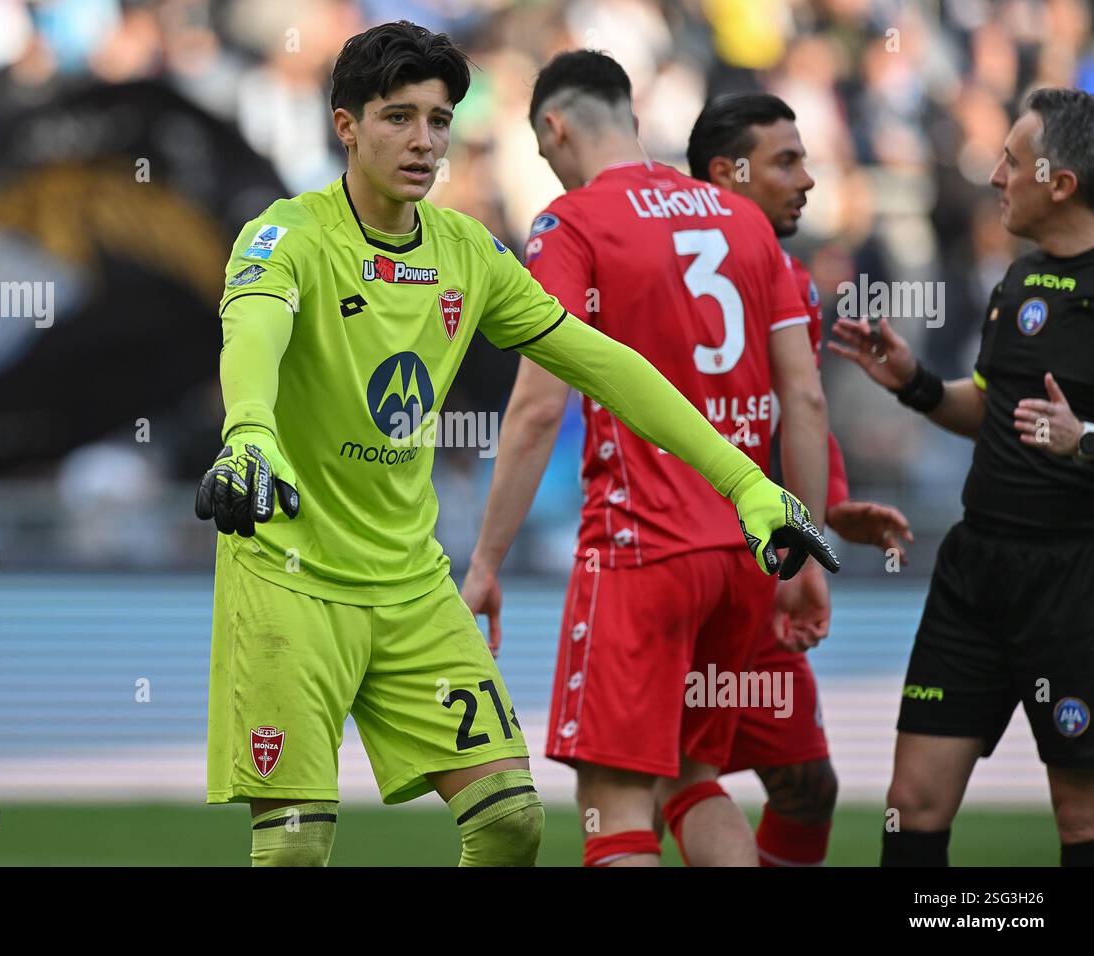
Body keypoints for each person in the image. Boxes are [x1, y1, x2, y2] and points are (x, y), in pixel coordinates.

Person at [195, 22, 838, 868]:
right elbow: (254, 333)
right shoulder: (287, 235)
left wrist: (747, 485)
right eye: (398, 118)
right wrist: (248, 431)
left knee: (510, 821)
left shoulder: (469, 252)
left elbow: (607, 366)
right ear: (345, 127)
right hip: (289, 580)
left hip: (409, 584)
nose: (425, 141)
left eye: (438, 119)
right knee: (294, 849)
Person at [461, 51, 836, 867]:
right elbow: (803, 400)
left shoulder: (573, 224)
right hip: (745, 552)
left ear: (553, 128)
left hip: (642, 546)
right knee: (694, 779)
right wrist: (804, 552)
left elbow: (536, 405)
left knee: (613, 802)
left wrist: (486, 559)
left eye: (541, 149)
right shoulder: (740, 221)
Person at [830, 88, 1094, 867]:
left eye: (1012, 161)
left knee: (1080, 818)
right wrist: (914, 382)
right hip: (977, 574)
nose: (993, 175)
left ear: (1061, 182)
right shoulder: (1016, 284)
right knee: (910, 805)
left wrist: (1083, 443)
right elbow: (987, 409)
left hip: (1073, 580)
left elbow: (1070, 436)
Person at [685, 93, 912, 866]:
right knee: (668, 782)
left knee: (807, 786)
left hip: (769, 568)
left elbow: (797, 415)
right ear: (727, 172)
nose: (808, 180)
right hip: (688, 564)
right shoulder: (671, 273)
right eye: (787, 162)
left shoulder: (788, 275)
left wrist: (831, 507)